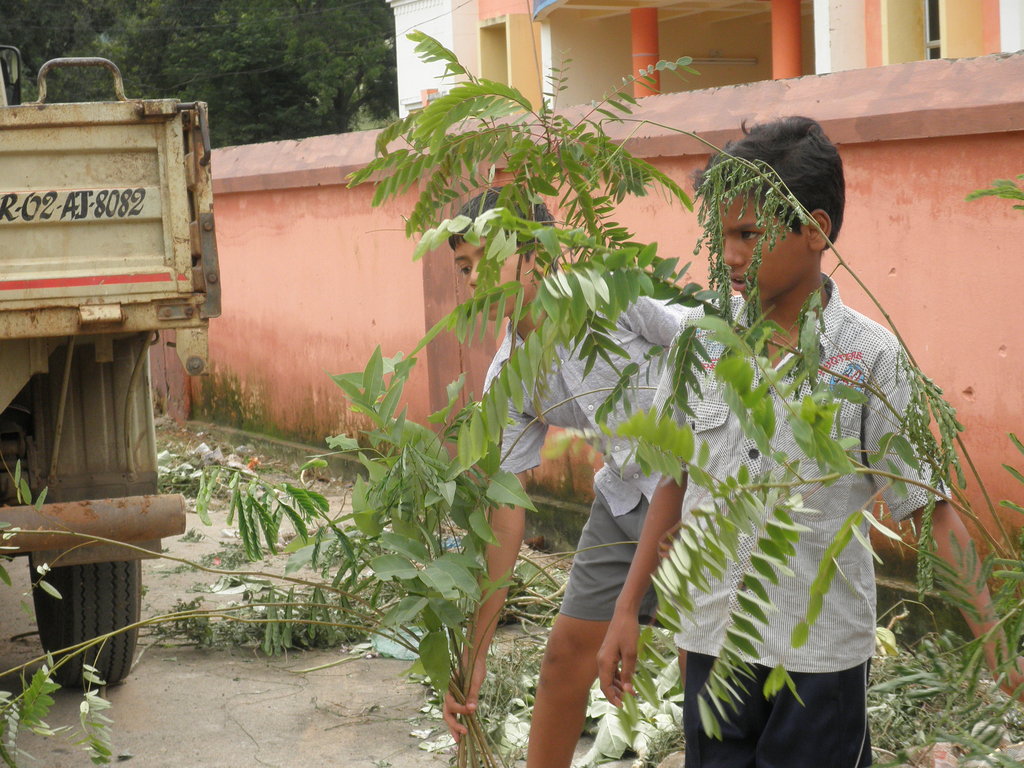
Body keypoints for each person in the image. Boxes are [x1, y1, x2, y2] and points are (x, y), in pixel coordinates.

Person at [596, 116, 1024, 768]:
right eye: (721, 234)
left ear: (816, 229)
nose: (729, 254)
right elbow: (674, 485)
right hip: (714, 647)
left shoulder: (869, 362)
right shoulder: (701, 344)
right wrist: (627, 610)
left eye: (748, 233)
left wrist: (997, 649)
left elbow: (931, 511)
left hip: (819, 664)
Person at [441, 187, 686, 767]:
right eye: (463, 267)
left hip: (699, 492)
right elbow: (506, 505)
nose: (475, 280)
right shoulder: (509, 374)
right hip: (626, 497)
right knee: (564, 656)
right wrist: (475, 652)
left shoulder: (608, 298)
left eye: (485, 260)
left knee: (704, 668)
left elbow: (699, 340)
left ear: (538, 255)